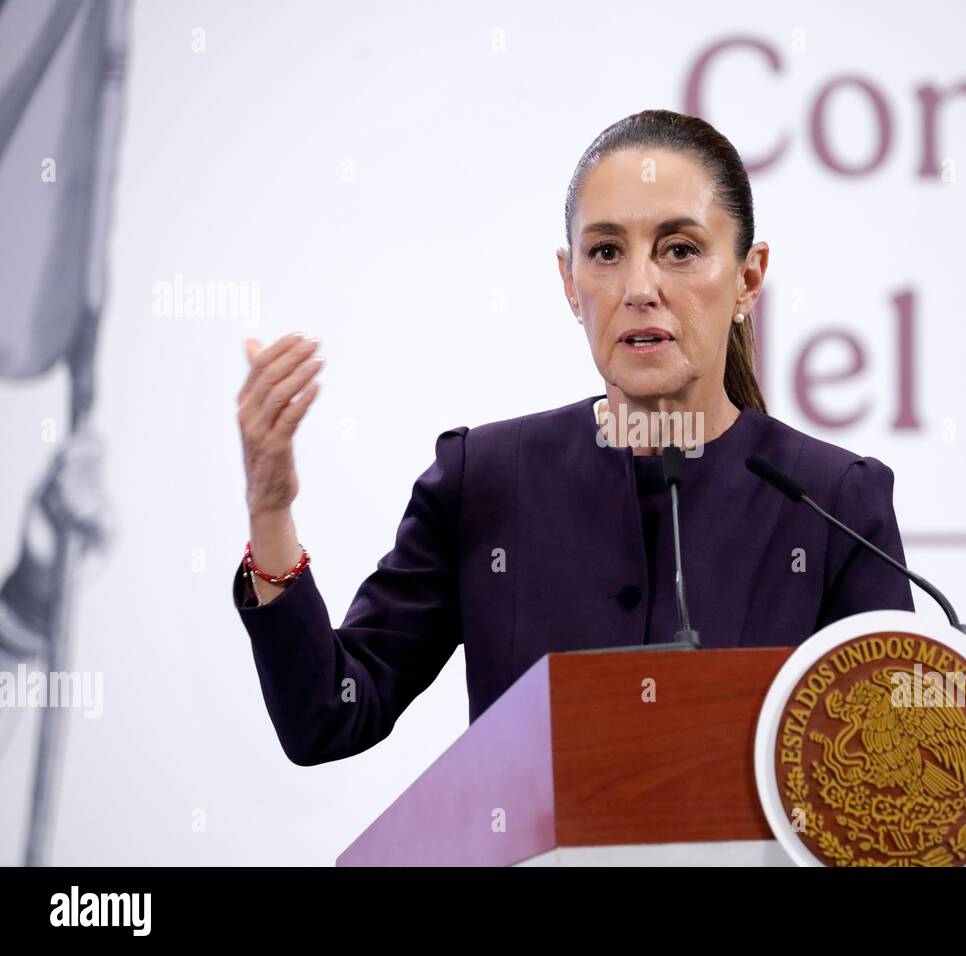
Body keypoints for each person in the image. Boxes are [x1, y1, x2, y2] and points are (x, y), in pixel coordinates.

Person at [232, 109, 914, 767]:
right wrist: (270, 511)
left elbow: (890, 768)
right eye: (607, 252)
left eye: (679, 250)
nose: (640, 287)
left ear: (748, 278)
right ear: (569, 281)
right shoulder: (485, 480)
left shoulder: (833, 503)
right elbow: (328, 716)